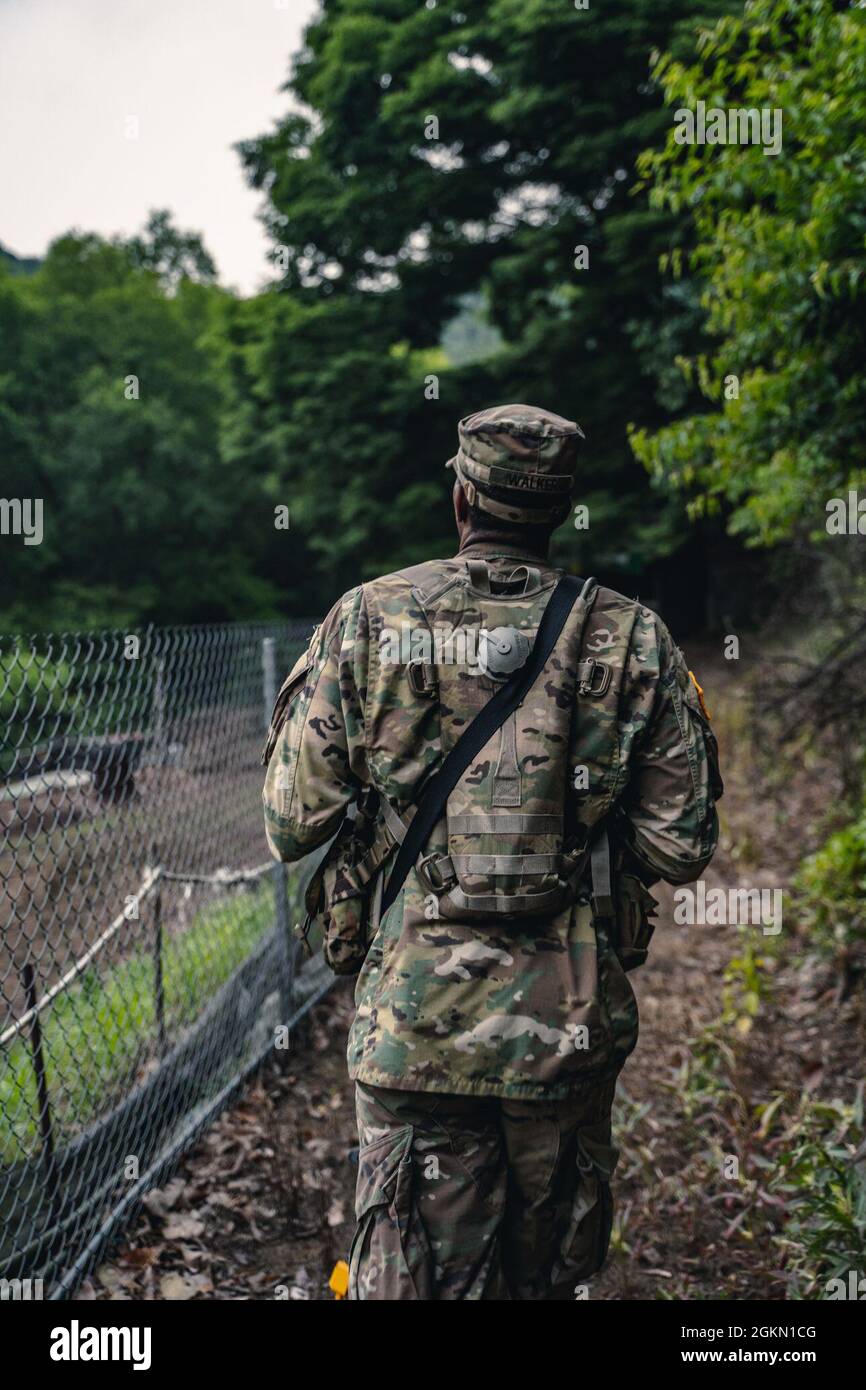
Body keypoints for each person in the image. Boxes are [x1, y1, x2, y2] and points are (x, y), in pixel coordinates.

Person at [262, 404, 722, 1300]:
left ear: (462, 495)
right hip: (568, 1028)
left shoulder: (366, 620)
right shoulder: (631, 636)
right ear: (557, 509)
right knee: (546, 1279)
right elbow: (681, 845)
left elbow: (292, 823)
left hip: (413, 1025)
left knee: (414, 1276)